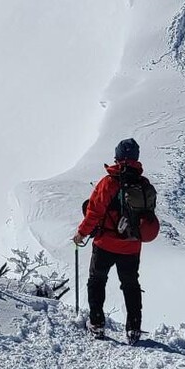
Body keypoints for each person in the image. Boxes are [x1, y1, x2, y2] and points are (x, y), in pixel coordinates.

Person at [73, 139, 159, 341]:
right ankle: (134, 329)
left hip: (105, 244)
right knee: (131, 285)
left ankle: (96, 324)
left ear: (118, 157)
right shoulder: (143, 184)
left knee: (97, 281)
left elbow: (94, 212)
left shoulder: (109, 182)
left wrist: (81, 234)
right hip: (131, 246)